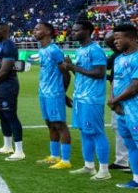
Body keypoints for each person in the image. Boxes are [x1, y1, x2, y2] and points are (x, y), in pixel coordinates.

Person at [61, 20, 111, 180]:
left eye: (76, 30)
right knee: (85, 132)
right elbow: (83, 74)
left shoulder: (95, 50)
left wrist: (74, 67)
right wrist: (71, 66)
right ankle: (89, 166)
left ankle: (104, 170)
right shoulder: (81, 50)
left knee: (96, 132)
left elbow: (99, 73)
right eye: (72, 30)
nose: (72, 33)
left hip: (92, 99)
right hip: (80, 97)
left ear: (87, 31)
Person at [33, 22, 72, 169]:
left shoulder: (54, 50)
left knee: (60, 124)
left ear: (48, 31)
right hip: (44, 93)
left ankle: (66, 160)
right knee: (50, 124)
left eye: (38, 29)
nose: (35, 31)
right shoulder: (43, 49)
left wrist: (62, 93)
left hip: (54, 93)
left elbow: (66, 73)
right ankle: (54, 156)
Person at [0, 22, 25, 161]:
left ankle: (19, 150)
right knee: (2, 115)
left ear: (4, 30)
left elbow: (5, 69)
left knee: (10, 115)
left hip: (8, 86)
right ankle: (7, 146)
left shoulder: (9, 46)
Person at [107, 23, 138, 188]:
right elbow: (114, 81)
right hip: (121, 111)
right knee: (131, 146)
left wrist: (114, 100)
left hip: (135, 110)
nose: (115, 41)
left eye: (118, 38)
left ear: (132, 38)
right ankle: (136, 180)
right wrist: (113, 100)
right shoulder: (118, 59)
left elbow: (135, 86)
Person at [104, 31, 130, 171]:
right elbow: (114, 78)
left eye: (115, 40)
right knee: (119, 128)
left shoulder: (130, 57)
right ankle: (122, 161)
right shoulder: (117, 57)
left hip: (129, 99)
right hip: (119, 98)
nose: (114, 44)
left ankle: (124, 161)